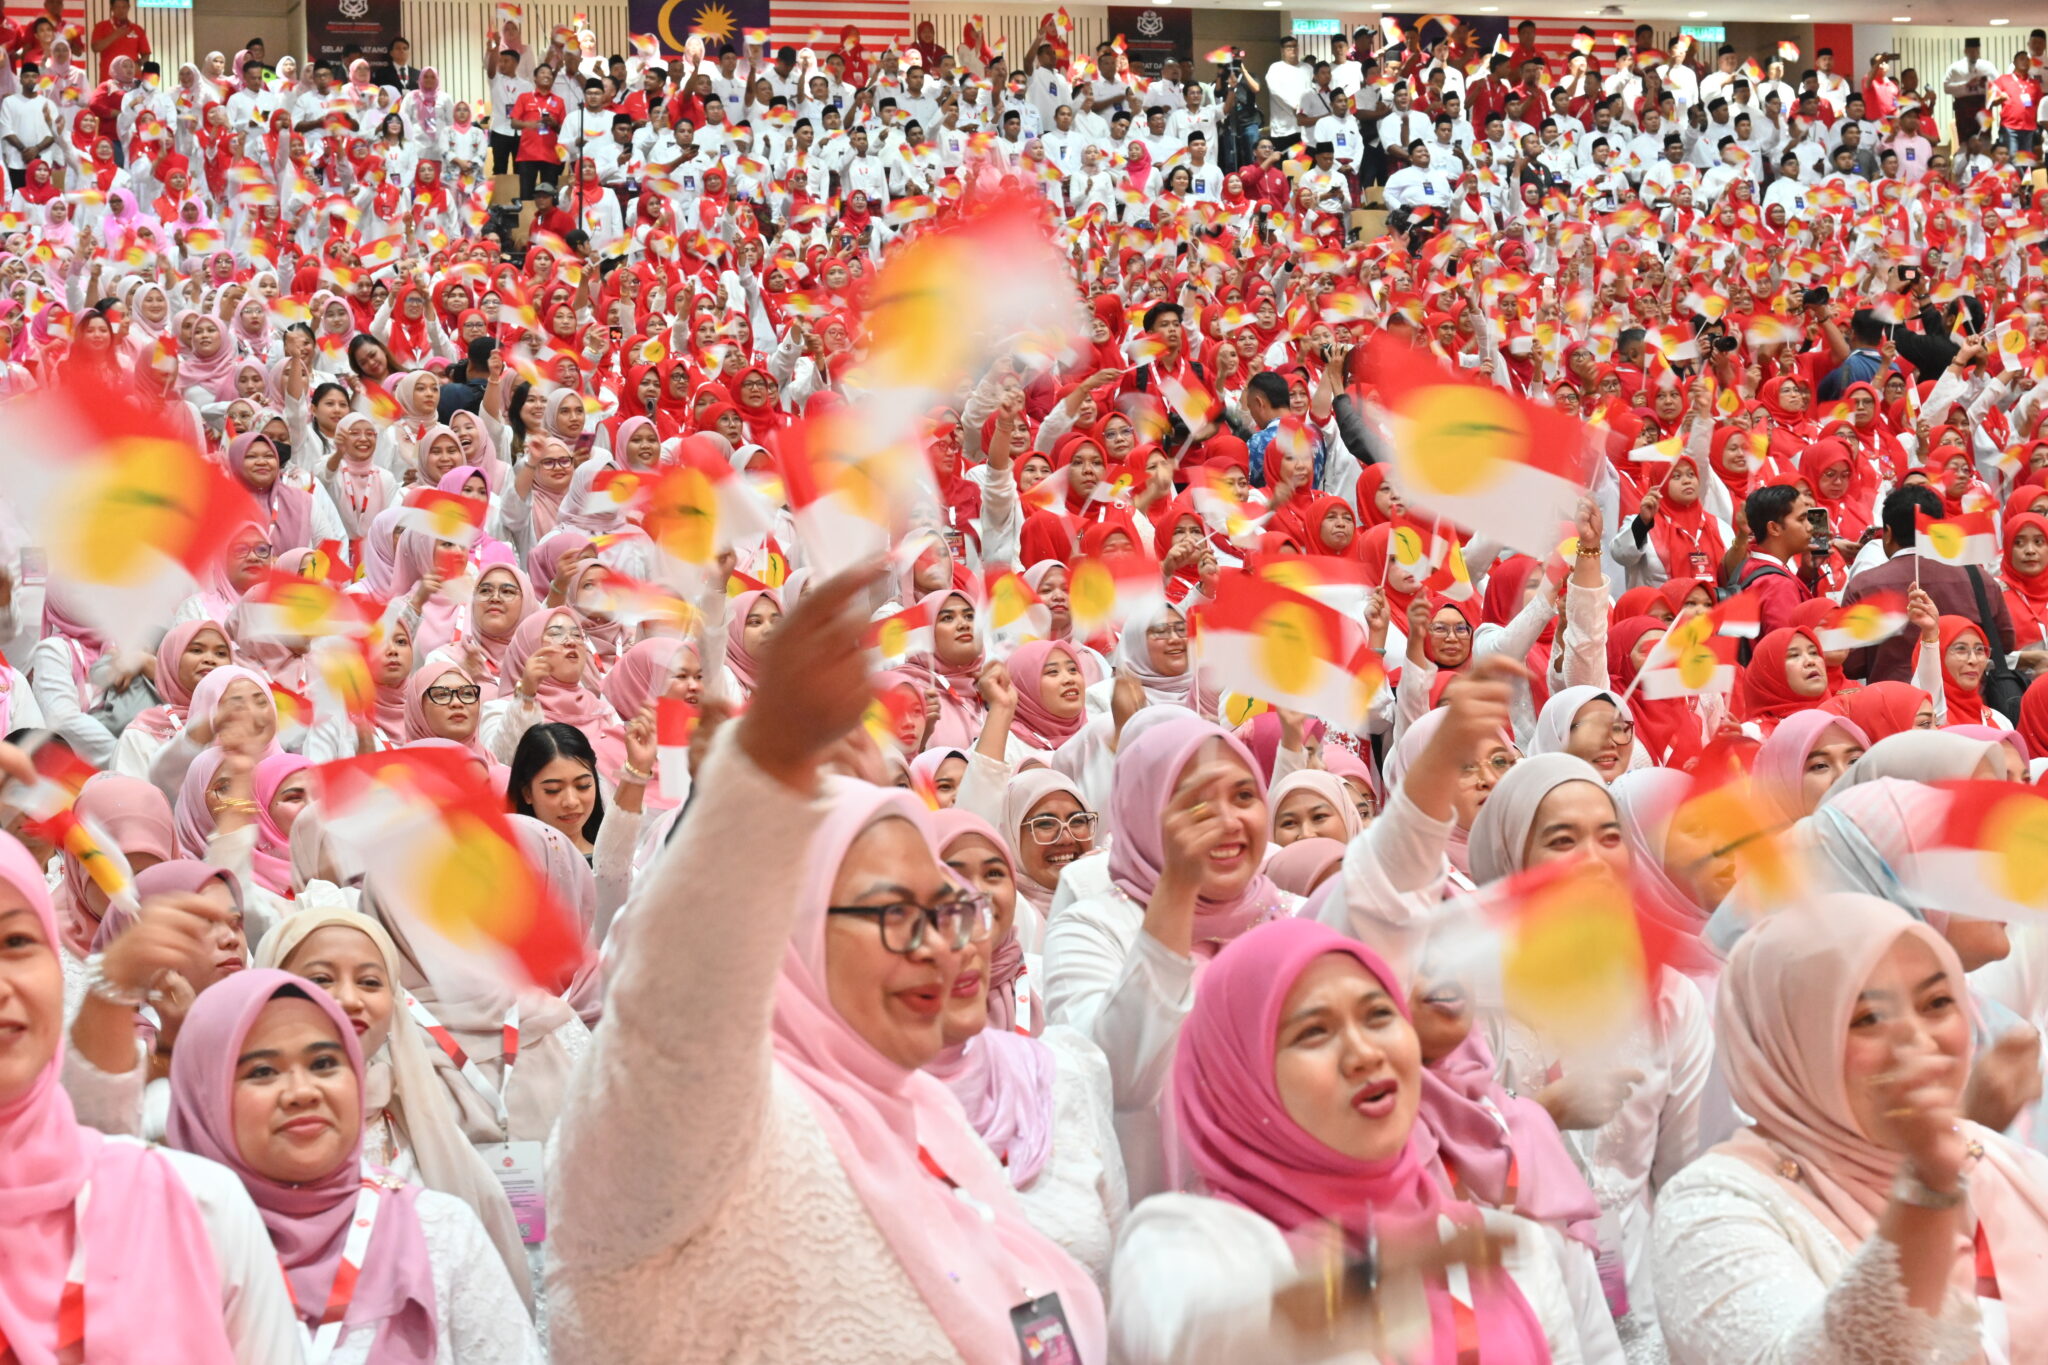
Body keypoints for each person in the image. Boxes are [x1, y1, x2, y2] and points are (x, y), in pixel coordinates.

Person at [547, 565, 1107, 1361]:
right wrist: (765, 770)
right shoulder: (708, 1118)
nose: (943, 945)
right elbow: (675, 1023)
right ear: (782, 926)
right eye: (894, 913)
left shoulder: (921, 1112)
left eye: (947, 910)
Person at [1110, 917, 1584, 1361]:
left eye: (1379, 1015)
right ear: (1239, 1078)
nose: (1364, 1053)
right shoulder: (1181, 1244)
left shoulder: (1502, 1248)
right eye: (1314, 1032)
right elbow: (1190, 1337)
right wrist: (1347, 1293)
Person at [1652, 893, 2048, 1362]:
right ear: (1790, 1044)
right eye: (1867, 1018)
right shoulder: (1712, 1207)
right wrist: (1927, 1191)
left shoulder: (1996, 1162)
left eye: (1937, 1002)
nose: (1917, 1040)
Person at [164, 969, 544, 1362]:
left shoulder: (437, 1231)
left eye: (324, 1063)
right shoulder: (167, 1244)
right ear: (204, 1095)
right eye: (263, 1071)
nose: (303, 1092)